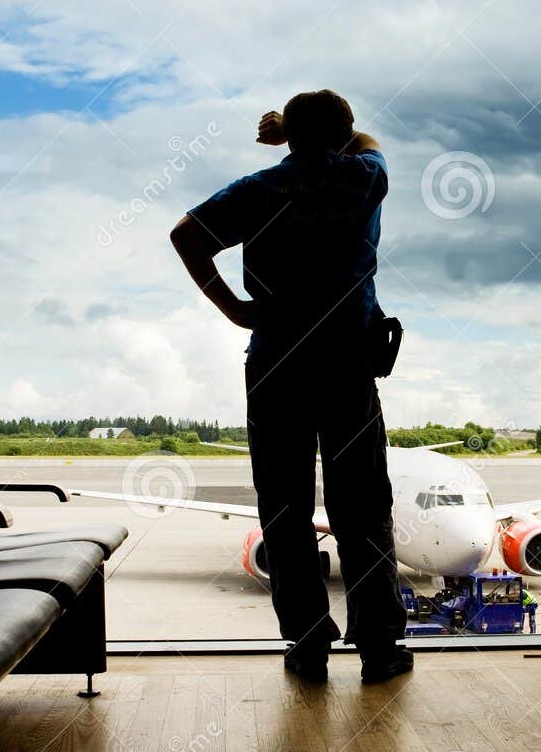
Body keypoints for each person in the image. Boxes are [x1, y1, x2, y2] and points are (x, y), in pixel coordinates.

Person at [170, 90, 411, 685]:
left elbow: (185, 236)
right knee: (362, 507)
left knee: (284, 508)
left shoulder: (259, 189)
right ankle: (379, 646)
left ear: (290, 136)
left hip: (277, 363)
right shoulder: (363, 178)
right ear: (346, 130)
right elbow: (370, 144)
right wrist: (305, 134)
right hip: (347, 362)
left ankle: (308, 646)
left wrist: (232, 308)